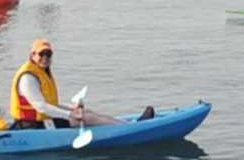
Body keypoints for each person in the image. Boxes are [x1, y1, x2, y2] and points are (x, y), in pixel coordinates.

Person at [10, 40, 146, 130]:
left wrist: (71, 109)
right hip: (33, 126)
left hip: (43, 121)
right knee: (88, 118)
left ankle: (130, 125)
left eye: (48, 54)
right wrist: (69, 115)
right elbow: (41, 107)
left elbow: (51, 103)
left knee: (86, 112)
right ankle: (132, 129)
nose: (45, 58)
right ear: (33, 55)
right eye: (41, 54)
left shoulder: (41, 72)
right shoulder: (28, 78)